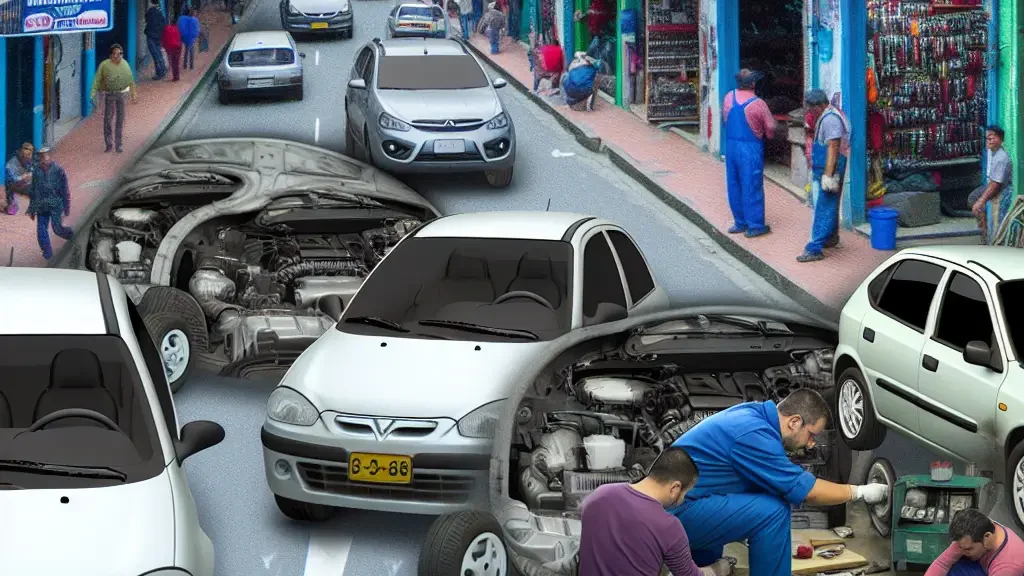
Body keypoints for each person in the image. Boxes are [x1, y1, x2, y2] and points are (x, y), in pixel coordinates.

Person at [669, 389, 890, 576]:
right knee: (772, 512)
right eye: (812, 435)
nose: (812, 444)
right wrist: (861, 492)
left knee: (767, 499)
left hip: (679, 507)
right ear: (794, 422)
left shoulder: (754, 416)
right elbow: (809, 491)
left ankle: (697, 568)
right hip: (675, 516)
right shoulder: (754, 433)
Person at [579, 447, 733, 576]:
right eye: (685, 493)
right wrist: (720, 568)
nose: (682, 500)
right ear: (675, 488)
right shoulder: (668, 526)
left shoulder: (598, 495)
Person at [721, 69, 775, 238]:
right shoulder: (758, 104)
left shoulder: (728, 97)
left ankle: (740, 222)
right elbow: (771, 128)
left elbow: (725, 120)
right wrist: (768, 135)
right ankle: (755, 225)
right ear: (752, 84)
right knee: (751, 184)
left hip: (731, 146)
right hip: (750, 148)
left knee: (734, 184)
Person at [797, 89, 849, 262]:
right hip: (824, 166)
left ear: (819, 106)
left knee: (823, 208)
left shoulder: (830, 119)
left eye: (811, 108)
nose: (810, 112)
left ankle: (814, 248)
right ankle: (830, 238)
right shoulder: (829, 114)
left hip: (828, 169)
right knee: (829, 206)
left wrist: (828, 175)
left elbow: (833, 146)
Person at [925, 508, 1024, 576]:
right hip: (983, 566)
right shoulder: (975, 530)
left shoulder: (1007, 567)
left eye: (969, 549)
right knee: (953, 563)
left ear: (987, 537)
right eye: (961, 547)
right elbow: (942, 564)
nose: (963, 551)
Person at [968, 125, 1013, 244]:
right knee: (973, 198)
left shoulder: (1001, 158)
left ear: (1001, 139)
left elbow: (995, 185)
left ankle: (989, 239)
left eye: (993, 138)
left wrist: (981, 201)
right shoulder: (992, 152)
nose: (990, 140)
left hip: (1001, 190)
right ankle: (984, 234)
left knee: (996, 220)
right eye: (988, 138)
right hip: (995, 186)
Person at [26, 147, 73, 261]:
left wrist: (66, 207)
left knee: (57, 229)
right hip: (42, 206)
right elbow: (33, 190)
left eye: (46, 156)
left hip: (56, 204)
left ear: (50, 157)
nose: (44, 159)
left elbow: (65, 189)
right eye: (41, 157)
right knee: (41, 230)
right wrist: (32, 208)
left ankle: (71, 235)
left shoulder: (58, 170)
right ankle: (47, 252)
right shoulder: (36, 171)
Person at [91, 43, 138, 153]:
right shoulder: (104, 65)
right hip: (110, 94)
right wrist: (92, 94)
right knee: (108, 119)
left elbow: (130, 79)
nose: (118, 55)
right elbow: (97, 79)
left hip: (121, 94)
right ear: (111, 55)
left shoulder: (125, 64)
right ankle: (109, 144)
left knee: (120, 120)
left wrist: (134, 94)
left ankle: (119, 144)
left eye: (120, 53)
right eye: (115, 53)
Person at [4, 142, 34, 215]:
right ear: (21, 154)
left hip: (23, 186)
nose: (28, 159)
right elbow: (9, 179)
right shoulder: (12, 163)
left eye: (29, 156)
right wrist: (22, 177)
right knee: (12, 210)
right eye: (26, 157)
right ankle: (10, 204)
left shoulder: (29, 162)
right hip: (10, 188)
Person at [144, 0, 168, 80]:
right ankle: (161, 70)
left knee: (155, 55)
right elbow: (163, 24)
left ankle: (161, 71)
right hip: (158, 36)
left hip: (151, 36)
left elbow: (147, 20)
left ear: (151, 2)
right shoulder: (160, 11)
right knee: (158, 53)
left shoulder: (151, 11)